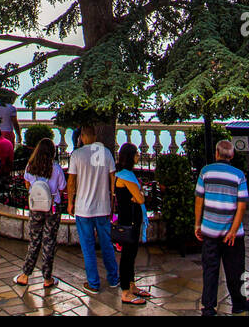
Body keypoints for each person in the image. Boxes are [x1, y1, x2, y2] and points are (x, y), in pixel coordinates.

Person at [195, 140, 249, 316]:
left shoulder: (206, 172)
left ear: (217, 154)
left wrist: (198, 223)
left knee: (210, 270)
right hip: (232, 234)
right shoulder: (238, 175)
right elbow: (242, 205)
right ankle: (239, 303)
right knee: (236, 270)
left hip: (210, 230)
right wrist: (233, 230)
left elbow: (199, 199)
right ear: (232, 156)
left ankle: (209, 307)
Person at [67, 124, 119, 294]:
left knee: (87, 247)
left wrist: (70, 202)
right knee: (107, 245)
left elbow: (71, 182)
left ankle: (94, 283)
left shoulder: (77, 155)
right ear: (95, 136)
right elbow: (113, 178)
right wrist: (112, 198)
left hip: (83, 209)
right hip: (102, 207)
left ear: (82, 136)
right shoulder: (106, 153)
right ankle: (113, 278)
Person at [15, 138, 66, 289]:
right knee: (49, 241)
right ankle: (47, 277)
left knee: (34, 240)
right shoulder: (56, 168)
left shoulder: (31, 167)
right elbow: (62, 187)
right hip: (52, 208)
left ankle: (25, 274)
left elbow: (27, 184)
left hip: (35, 208)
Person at [114, 143, 151, 306]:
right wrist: (139, 195)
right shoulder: (125, 176)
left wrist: (138, 195)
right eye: (136, 153)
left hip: (133, 220)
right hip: (128, 221)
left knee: (132, 255)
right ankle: (125, 292)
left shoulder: (128, 174)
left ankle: (131, 285)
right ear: (130, 156)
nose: (138, 155)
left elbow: (138, 196)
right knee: (127, 257)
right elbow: (141, 198)